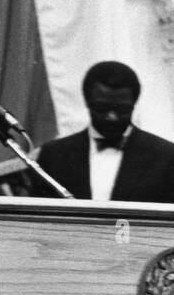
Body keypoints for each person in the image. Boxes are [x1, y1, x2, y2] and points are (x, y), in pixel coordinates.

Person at [27, 61, 174, 203]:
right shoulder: (53, 156)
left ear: (134, 104)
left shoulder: (166, 157)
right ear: (87, 102)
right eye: (102, 108)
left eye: (121, 109)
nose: (112, 117)